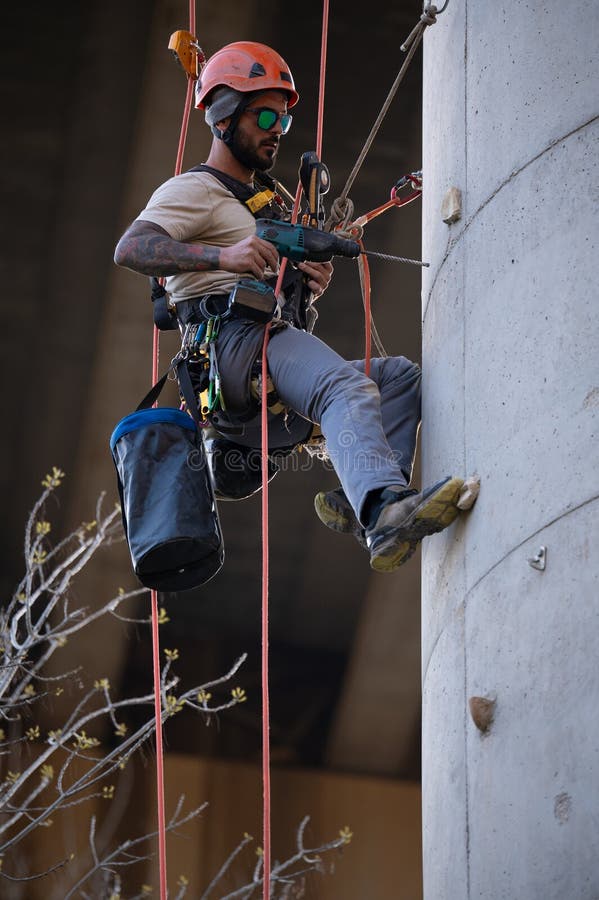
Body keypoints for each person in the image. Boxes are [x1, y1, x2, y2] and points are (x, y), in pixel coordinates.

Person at [114, 41, 464, 573]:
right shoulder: (197, 190)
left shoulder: (257, 199)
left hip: (260, 339)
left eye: (284, 116)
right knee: (345, 387)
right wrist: (223, 255)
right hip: (231, 345)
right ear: (224, 114)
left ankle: (360, 496)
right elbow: (132, 248)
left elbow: (263, 276)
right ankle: (383, 509)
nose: (278, 128)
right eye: (267, 115)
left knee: (397, 380)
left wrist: (301, 283)